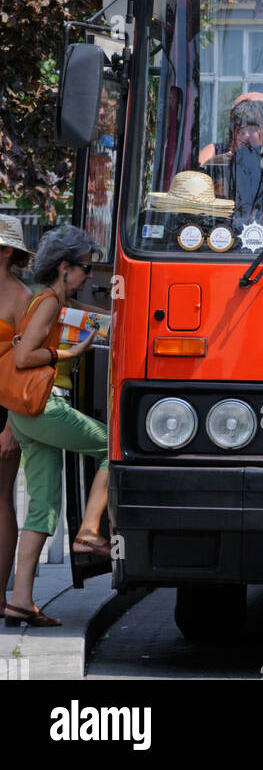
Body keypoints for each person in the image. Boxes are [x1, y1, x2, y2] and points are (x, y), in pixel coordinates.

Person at [4, 227, 110, 629]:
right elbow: (24, 356)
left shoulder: (56, 304)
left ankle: (21, 601)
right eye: (84, 268)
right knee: (112, 448)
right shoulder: (47, 303)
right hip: (45, 408)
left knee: (43, 507)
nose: (88, 275)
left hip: (28, 417)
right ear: (64, 268)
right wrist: (68, 352)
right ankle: (87, 531)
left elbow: (96, 319)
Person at [0, 217, 32, 618]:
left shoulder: (22, 298)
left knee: (0, 500)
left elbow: (23, 366)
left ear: (6, 252)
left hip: (2, 406)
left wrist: (11, 424)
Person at [199, 92, 263, 221]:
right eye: (240, 130)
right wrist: (215, 164)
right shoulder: (216, 154)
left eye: (251, 129)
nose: (245, 136)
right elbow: (197, 183)